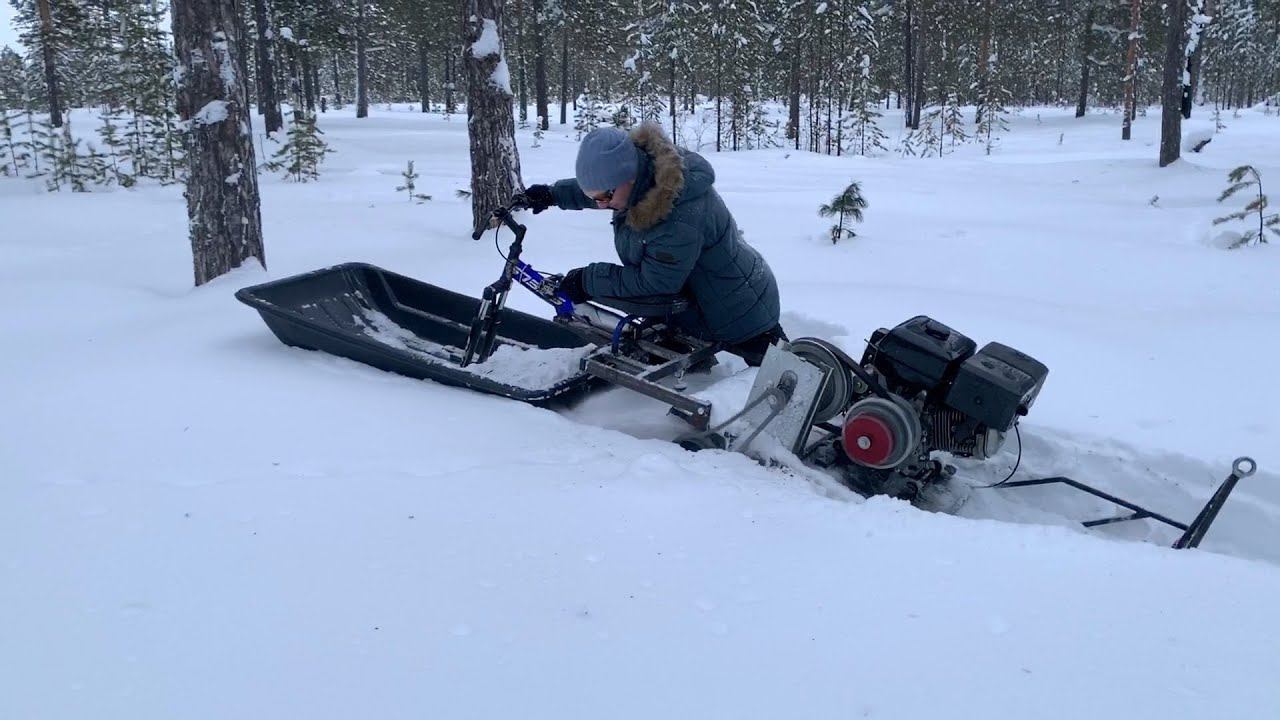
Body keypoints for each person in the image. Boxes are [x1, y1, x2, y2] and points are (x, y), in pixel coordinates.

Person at [522, 123, 786, 366]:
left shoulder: (677, 217)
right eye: (596, 197)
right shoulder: (642, 176)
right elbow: (601, 189)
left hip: (736, 313)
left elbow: (655, 282)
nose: (602, 205)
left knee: (781, 373)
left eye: (605, 197)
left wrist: (587, 281)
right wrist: (552, 194)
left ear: (629, 178)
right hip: (705, 294)